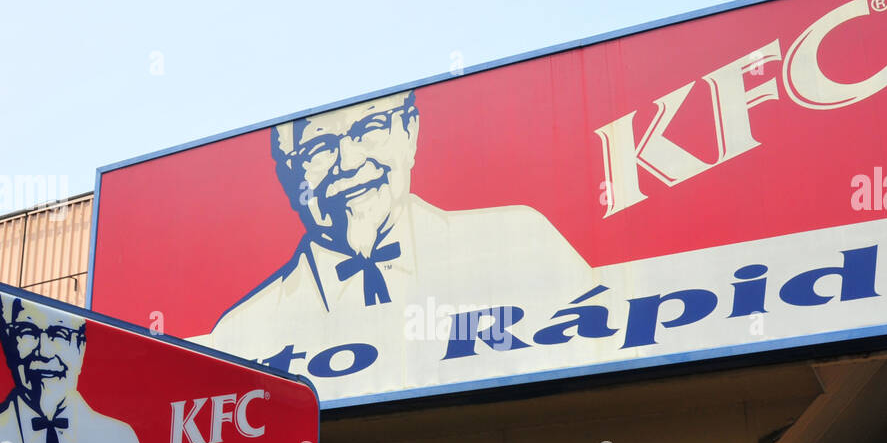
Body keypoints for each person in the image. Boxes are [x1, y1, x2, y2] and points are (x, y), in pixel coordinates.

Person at [200, 89, 593, 374]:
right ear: (290, 179)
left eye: (370, 128)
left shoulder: (520, 242)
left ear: (410, 135)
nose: (349, 163)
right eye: (319, 148)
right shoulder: (239, 336)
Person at [0, 294, 142, 443]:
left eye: (61, 334)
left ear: (80, 349)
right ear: (6, 343)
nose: (44, 352)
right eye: (27, 332)